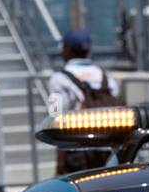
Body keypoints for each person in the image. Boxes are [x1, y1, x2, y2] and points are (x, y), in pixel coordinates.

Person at [47, 29, 123, 174]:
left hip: (77, 150)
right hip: (108, 149)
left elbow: (55, 118)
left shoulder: (58, 79)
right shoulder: (105, 76)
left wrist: (60, 161)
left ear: (67, 49)